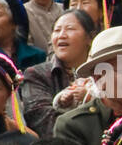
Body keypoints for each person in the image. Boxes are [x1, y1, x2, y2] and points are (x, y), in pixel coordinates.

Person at [20, 9, 97, 137]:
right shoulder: (36, 74)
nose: (61, 35)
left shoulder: (102, 72)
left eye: (70, 29)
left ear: (90, 38)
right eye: (57, 30)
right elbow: (44, 123)